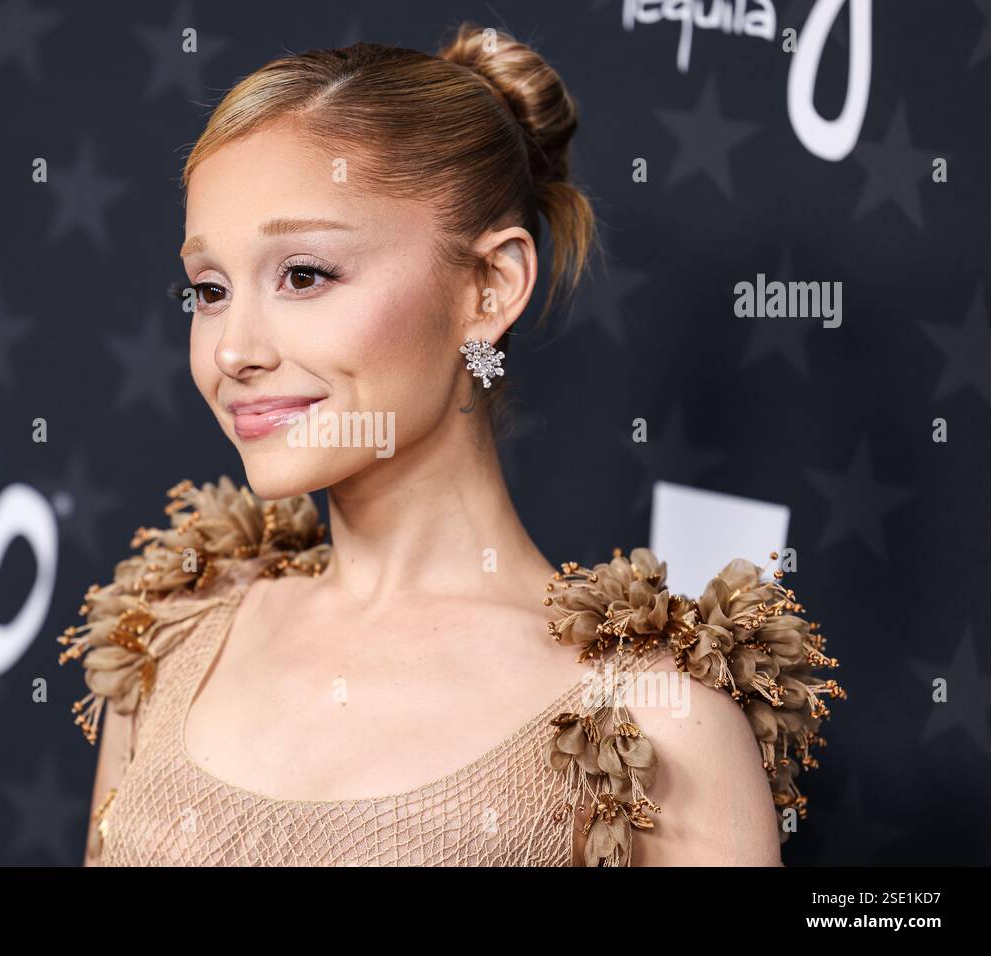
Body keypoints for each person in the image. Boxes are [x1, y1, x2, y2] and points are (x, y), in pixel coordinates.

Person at [57, 23, 845, 866]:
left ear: (490, 287)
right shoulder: (169, 641)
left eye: (305, 275)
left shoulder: (650, 719)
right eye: (209, 289)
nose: (233, 349)